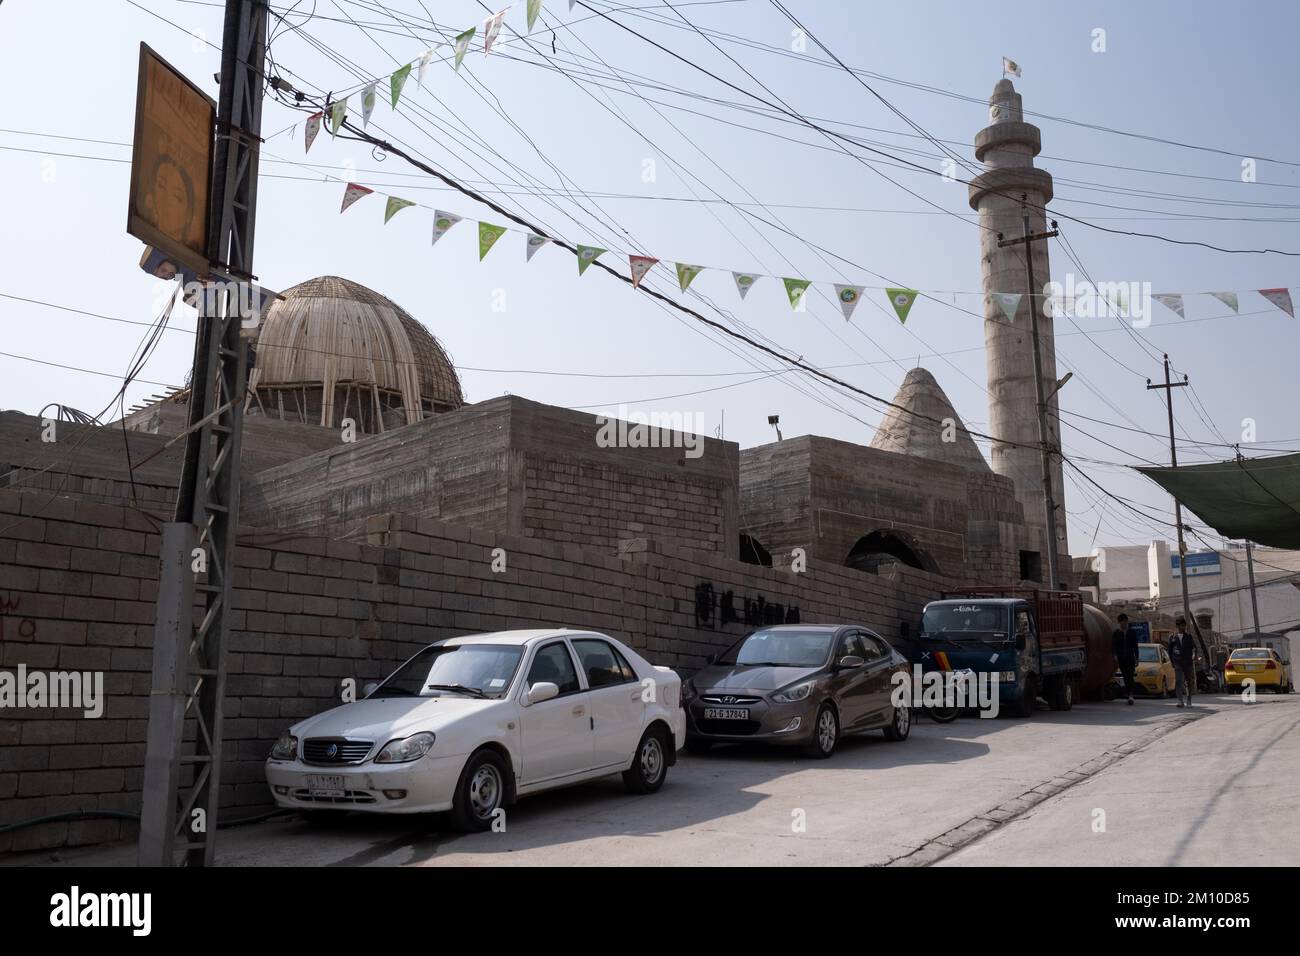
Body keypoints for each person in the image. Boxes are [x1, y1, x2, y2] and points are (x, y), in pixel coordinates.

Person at [1168, 618, 1198, 708]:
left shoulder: (1188, 636)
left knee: (1189, 681)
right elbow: (1169, 650)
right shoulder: (1173, 637)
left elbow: (1194, 648)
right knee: (1178, 681)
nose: (1183, 627)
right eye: (1181, 625)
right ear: (1177, 626)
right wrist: (1172, 661)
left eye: (1184, 625)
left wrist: (1194, 656)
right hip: (1177, 662)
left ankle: (1189, 700)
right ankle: (1180, 701)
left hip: (1188, 662)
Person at [1112, 613, 1139, 705]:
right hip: (1121, 658)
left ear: (1127, 622)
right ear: (1119, 623)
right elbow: (1114, 645)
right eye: (1122, 622)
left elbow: (1135, 646)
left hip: (1130, 657)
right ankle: (1128, 694)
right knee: (1125, 676)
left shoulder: (1132, 632)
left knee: (1130, 676)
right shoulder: (1116, 633)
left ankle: (1131, 695)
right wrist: (1115, 655)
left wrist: (1137, 657)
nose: (1124, 624)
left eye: (1125, 622)